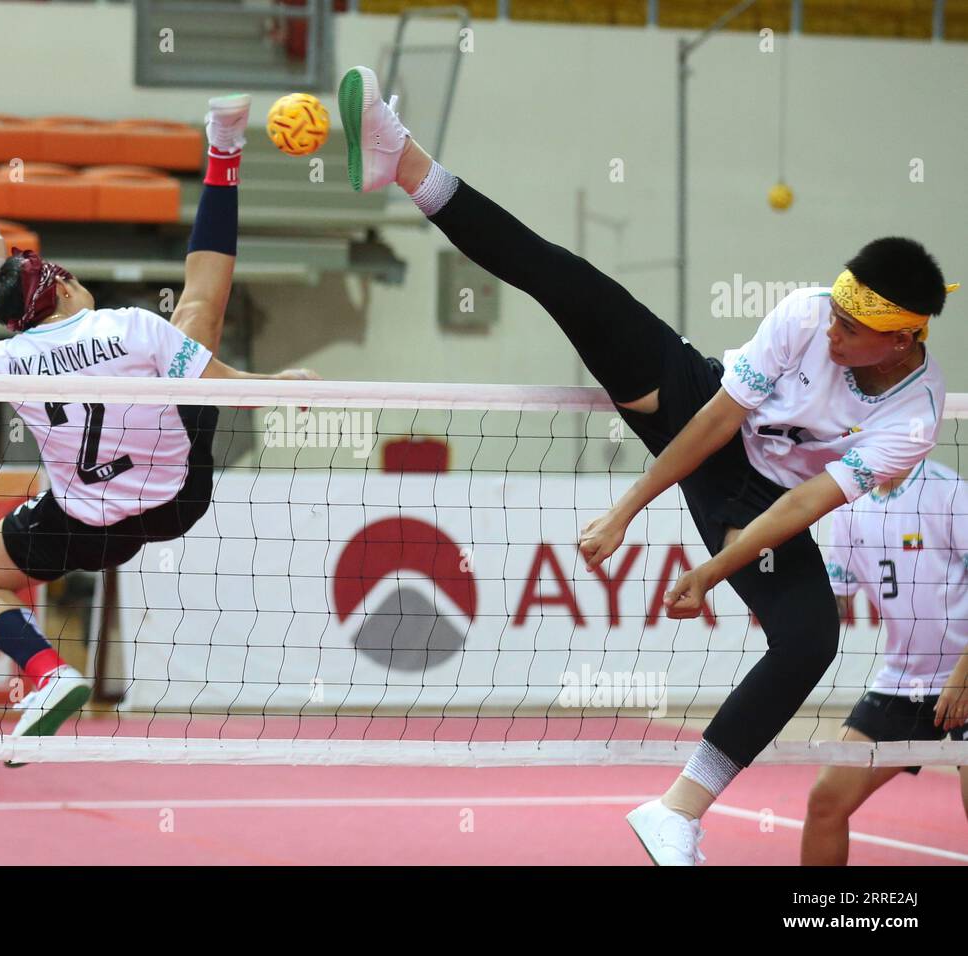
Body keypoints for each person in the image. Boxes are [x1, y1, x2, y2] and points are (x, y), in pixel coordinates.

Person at [337, 64, 959, 864]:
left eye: (852, 330)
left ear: (903, 340)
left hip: (764, 491)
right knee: (571, 284)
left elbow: (801, 511)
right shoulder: (805, 316)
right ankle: (407, 160)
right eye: (833, 314)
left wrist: (712, 573)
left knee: (809, 640)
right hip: (702, 406)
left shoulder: (911, 419)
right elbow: (716, 418)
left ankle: (677, 811)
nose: (832, 333)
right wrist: (631, 506)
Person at [0, 94, 317, 746]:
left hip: (86, 526)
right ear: (63, 285)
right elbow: (226, 386)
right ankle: (224, 149)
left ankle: (46, 673)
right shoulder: (131, 327)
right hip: (175, 498)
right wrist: (284, 386)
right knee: (199, 307)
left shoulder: (3, 361)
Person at [800, 460, 968, 865]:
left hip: (966, 674)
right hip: (904, 681)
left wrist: (963, 679)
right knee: (826, 801)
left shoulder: (949, 491)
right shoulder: (848, 506)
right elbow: (834, 601)